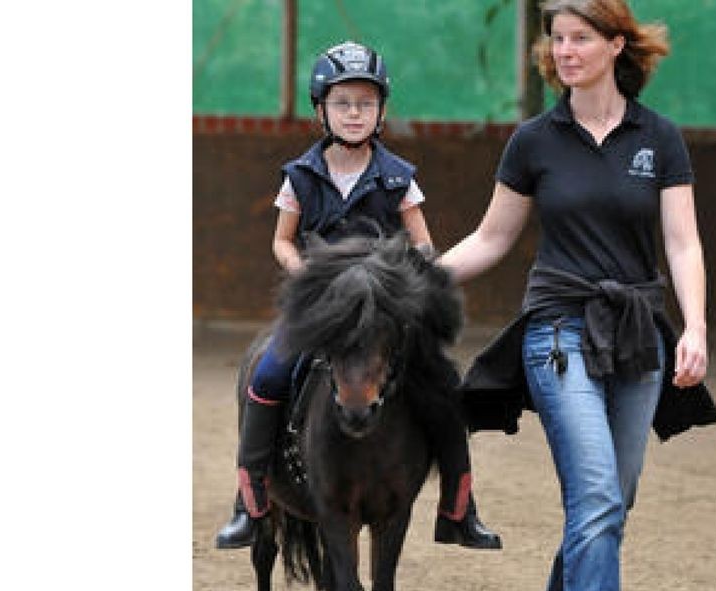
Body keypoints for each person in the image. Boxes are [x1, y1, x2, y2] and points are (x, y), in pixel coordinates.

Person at [436, 2, 716, 591]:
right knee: (594, 497)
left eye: (580, 38)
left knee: (611, 505)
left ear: (617, 44)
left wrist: (697, 325)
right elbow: (491, 237)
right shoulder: (534, 140)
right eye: (557, 39)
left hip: (638, 335)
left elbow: (682, 244)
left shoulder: (661, 138)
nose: (564, 51)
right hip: (557, 330)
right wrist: (411, 274)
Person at [214, 41, 501, 551]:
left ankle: (459, 509)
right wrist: (306, 273)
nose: (354, 113)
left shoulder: (400, 178)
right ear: (320, 108)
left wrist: (416, 276)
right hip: (322, 309)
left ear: (381, 110)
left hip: (382, 313)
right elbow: (282, 240)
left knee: (442, 386)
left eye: (365, 104)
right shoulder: (300, 176)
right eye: (343, 102)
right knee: (267, 374)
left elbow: (424, 244)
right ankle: (251, 504)